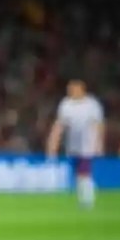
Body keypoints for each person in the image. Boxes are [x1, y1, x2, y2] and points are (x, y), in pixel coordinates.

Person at [46, 79, 105, 208]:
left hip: (88, 144)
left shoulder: (92, 104)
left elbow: (98, 125)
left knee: (84, 171)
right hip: (72, 145)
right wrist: (53, 143)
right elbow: (60, 125)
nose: (70, 91)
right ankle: (84, 196)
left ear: (81, 89)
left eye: (73, 89)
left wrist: (99, 143)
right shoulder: (66, 105)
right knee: (78, 173)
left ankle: (88, 200)